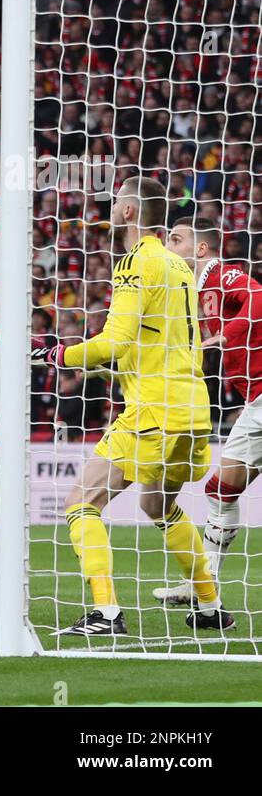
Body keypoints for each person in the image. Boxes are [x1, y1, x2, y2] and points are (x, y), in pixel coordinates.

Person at [31, 178, 231, 635]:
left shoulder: (135, 261)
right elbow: (162, 347)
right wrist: (108, 370)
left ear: (126, 213)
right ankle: (210, 606)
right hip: (194, 408)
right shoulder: (181, 267)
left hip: (154, 410)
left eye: (117, 199)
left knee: (82, 502)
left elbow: (114, 340)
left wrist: (59, 354)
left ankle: (106, 614)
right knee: (158, 505)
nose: (111, 205)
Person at [156, 217, 262, 605]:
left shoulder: (223, 274)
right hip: (256, 402)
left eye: (177, 239)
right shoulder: (194, 290)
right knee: (220, 490)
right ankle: (206, 584)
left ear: (201, 249)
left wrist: (223, 335)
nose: (169, 246)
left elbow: (260, 299)